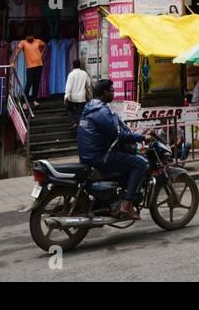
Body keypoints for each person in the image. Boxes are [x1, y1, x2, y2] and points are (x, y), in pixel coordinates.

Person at [76, 78, 154, 220]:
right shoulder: (101, 111)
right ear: (105, 92)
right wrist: (142, 138)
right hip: (100, 156)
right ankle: (127, 205)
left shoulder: (90, 107)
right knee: (140, 163)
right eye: (112, 90)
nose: (114, 93)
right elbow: (119, 134)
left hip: (89, 155)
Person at [18, 34, 48, 107]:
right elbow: (17, 51)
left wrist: (41, 53)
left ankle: (34, 100)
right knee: (29, 83)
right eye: (28, 36)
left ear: (33, 36)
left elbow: (45, 45)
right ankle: (24, 102)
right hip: (30, 67)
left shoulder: (37, 41)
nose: (30, 37)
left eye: (31, 36)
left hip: (39, 65)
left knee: (36, 83)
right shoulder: (23, 42)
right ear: (26, 37)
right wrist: (13, 62)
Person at [64, 60, 91, 125]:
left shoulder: (71, 74)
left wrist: (66, 97)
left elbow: (68, 87)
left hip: (72, 97)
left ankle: (73, 120)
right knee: (80, 113)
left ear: (73, 66)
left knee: (69, 109)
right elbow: (89, 84)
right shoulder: (84, 74)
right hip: (82, 97)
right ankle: (79, 126)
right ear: (80, 65)